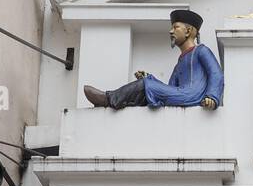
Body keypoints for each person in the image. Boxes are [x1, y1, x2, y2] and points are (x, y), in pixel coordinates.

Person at [82, 8, 223, 111]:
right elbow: (169, 89)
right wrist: (151, 79)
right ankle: (122, 102)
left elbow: (216, 74)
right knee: (147, 85)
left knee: (146, 84)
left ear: (188, 31)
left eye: (175, 27)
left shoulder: (201, 51)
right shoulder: (180, 62)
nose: (171, 31)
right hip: (182, 95)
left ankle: (109, 99)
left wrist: (212, 96)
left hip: (192, 95)